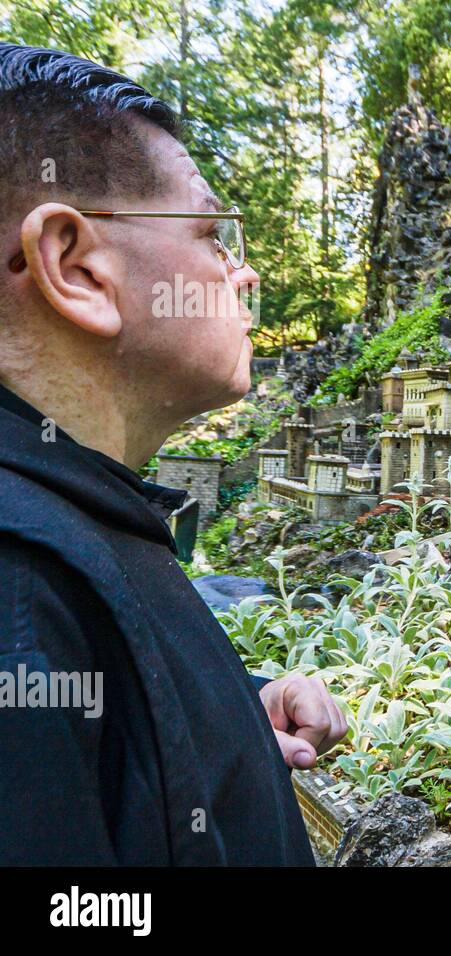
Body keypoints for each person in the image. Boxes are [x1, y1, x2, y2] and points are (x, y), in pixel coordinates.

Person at [0, 43, 345, 865]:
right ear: (77, 268)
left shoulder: (81, 516)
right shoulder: (20, 584)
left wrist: (231, 709)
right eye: (213, 233)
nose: (245, 270)